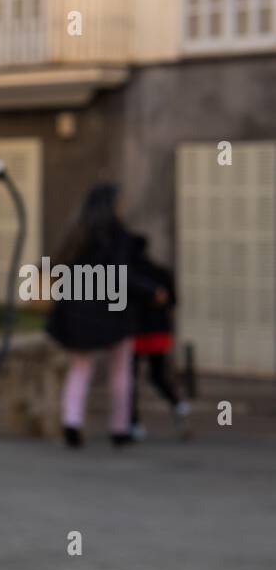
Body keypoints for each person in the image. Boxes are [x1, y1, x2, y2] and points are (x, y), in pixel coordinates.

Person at [44, 184, 159, 448]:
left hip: (78, 311)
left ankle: (71, 422)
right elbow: (122, 275)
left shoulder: (76, 234)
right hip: (112, 311)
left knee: (80, 369)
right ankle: (120, 427)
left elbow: (57, 267)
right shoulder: (116, 237)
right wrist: (152, 290)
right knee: (120, 371)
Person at [128, 240, 191, 439]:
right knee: (157, 375)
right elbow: (173, 301)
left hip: (135, 333)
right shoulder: (161, 273)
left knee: (130, 380)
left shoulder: (130, 276)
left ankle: (134, 423)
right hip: (158, 333)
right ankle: (177, 404)